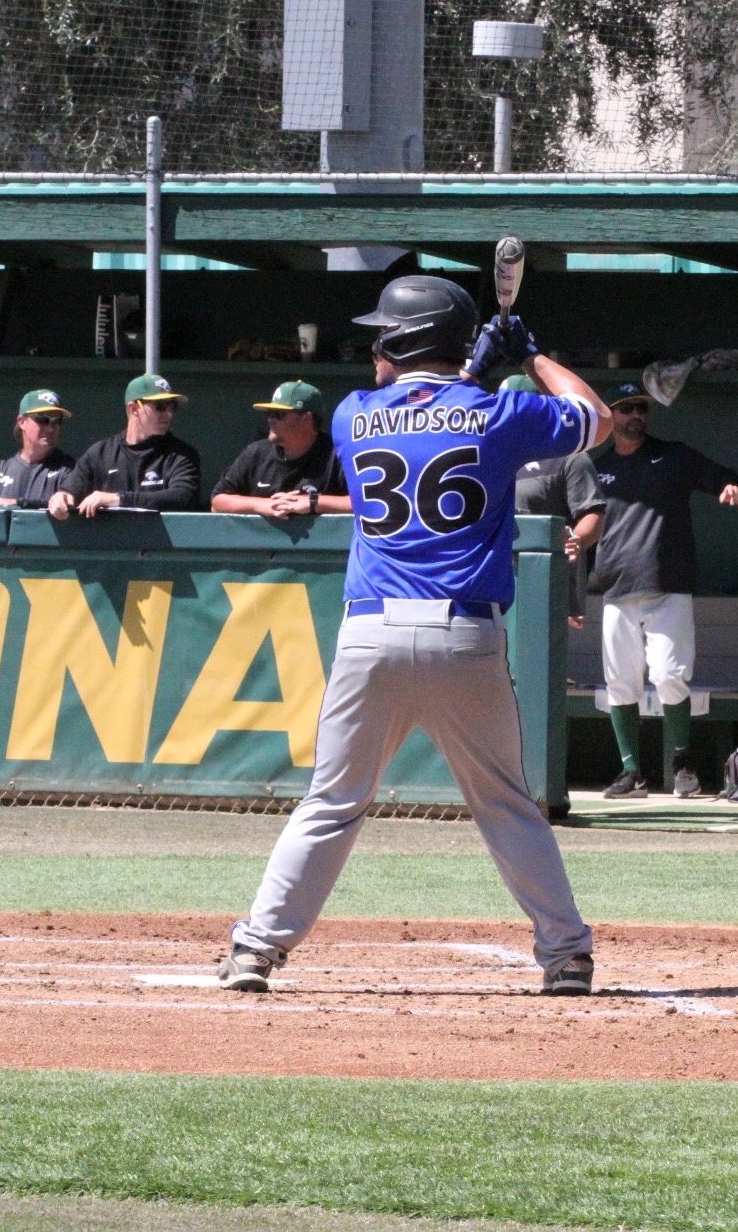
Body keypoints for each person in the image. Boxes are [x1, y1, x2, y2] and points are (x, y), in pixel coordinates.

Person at [218, 277, 610, 997]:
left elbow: (426, 413)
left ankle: (255, 948)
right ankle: (566, 953)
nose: (375, 347)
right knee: (506, 804)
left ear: (408, 341)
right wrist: (528, 354)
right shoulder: (498, 412)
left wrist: (474, 364)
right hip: (464, 634)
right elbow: (595, 417)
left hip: (371, 634)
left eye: (384, 336)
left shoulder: (352, 414)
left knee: (332, 801)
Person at [589, 380, 738, 798]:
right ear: (610, 415)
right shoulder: (597, 469)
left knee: (670, 676)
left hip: (668, 586)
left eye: (641, 408)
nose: (635, 415)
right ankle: (631, 772)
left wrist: (729, 486)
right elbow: (581, 525)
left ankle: (682, 762)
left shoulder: (672, 456)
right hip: (616, 590)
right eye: (626, 408)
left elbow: (719, 474)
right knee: (619, 682)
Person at [500, 373, 603, 627]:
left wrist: (576, 540)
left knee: (537, 647)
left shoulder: (568, 455)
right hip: (496, 580)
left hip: (544, 581)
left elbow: (592, 515)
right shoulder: (493, 453)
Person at [48, 373, 201, 517]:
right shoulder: (100, 453)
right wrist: (60, 498)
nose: (168, 413)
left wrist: (118, 499)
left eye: (172, 406)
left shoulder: (182, 454)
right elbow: (69, 492)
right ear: (133, 409)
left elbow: (183, 497)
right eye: (160, 406)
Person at [210, 380, 351, 520]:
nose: (270, 419)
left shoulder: (338, 454)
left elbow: (361, 501)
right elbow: (217, 502)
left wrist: (313, 502)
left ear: (306, 418)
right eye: (269, 413)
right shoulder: (257, 452)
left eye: (278, 414)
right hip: (263, 535)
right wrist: (262, 504)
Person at [0, 389, 76, 509]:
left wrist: (17, 503)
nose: (50, 428)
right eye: (43, 419)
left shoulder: (69, 468)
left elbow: (68, 506)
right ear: (22, 422)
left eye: (57, 421)